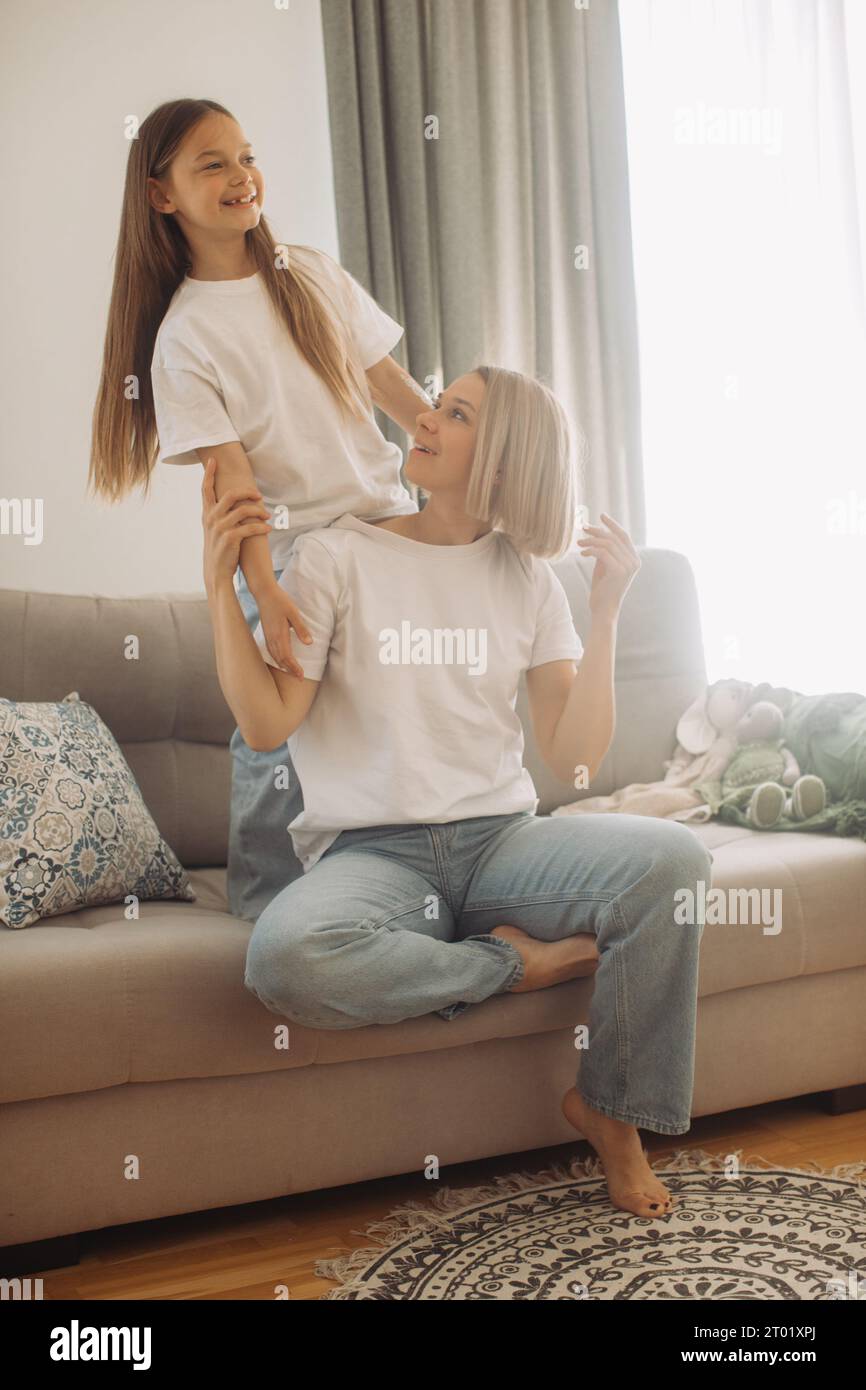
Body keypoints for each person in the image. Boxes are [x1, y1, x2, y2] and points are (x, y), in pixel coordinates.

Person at [201, 364, 715, 1220]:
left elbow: (575, 755)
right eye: (436, 405)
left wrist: (607, 611)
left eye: (456, 413)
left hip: (501, 845)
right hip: (375, 855)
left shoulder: (525, 579)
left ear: (506, 461)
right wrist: (221, 587)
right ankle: (514, 963)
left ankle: (612, 1113)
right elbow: (266, 725)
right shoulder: (338, 554)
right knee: (284, 957)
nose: (424, 418)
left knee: (674, 862)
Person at [88, 96, 430, 924]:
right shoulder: (185, 337)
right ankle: (265, 905)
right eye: (213, 164)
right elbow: (234, 490)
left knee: (397, 718)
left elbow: (397, 392)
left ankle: (404, 884)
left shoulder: (309, 273)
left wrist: (453, 455)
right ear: (161, 195)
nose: (243, 176)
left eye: (246, 156)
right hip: (288, 552)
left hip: (385, 531)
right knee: (273, 738)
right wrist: (264, 592)